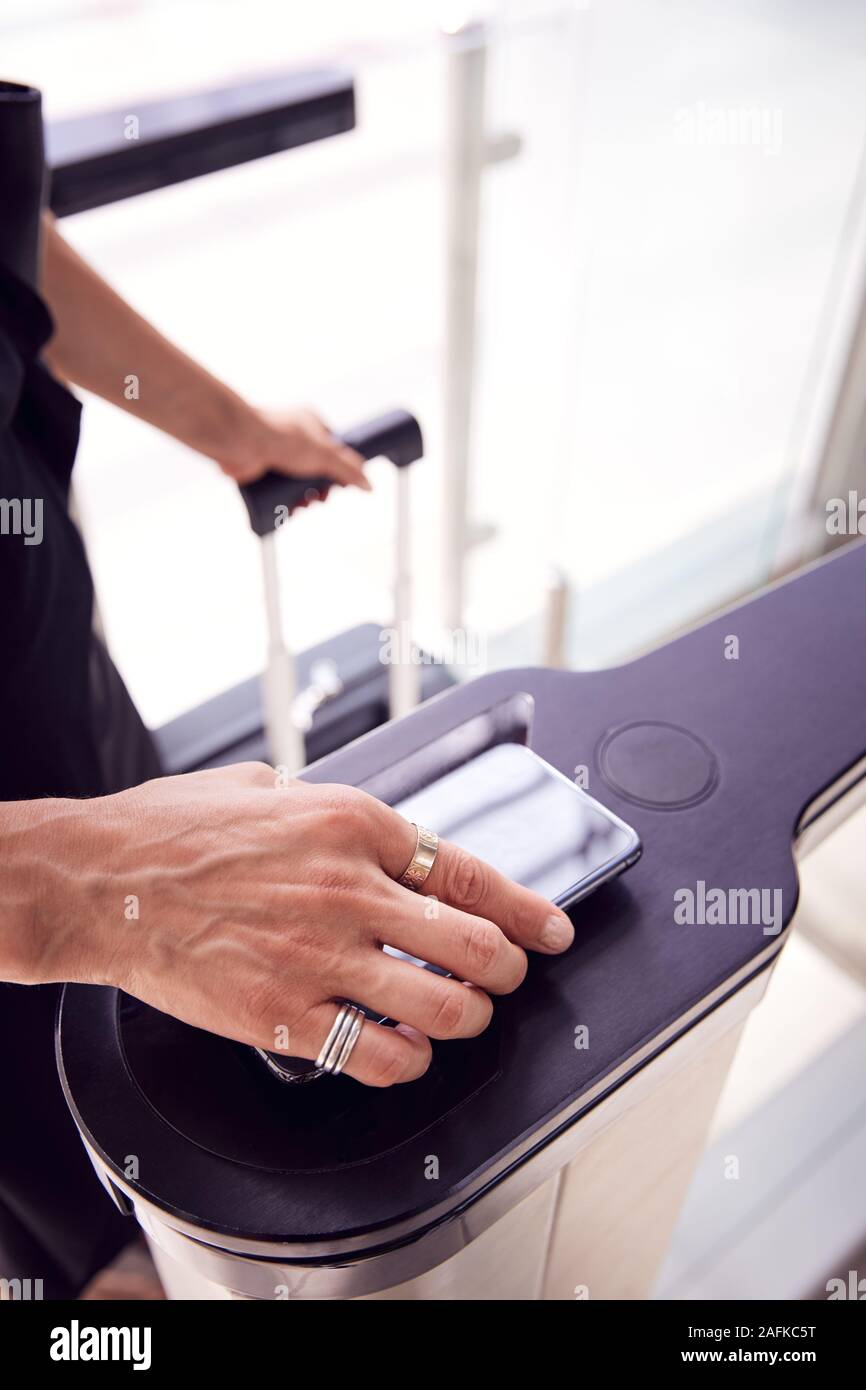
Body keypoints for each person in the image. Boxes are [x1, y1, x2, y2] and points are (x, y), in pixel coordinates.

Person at [0, 80, 575, 1298]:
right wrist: (72, 886)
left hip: (45, 682)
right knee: (95, 1242)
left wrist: (225, 426)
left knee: (176, 1061)